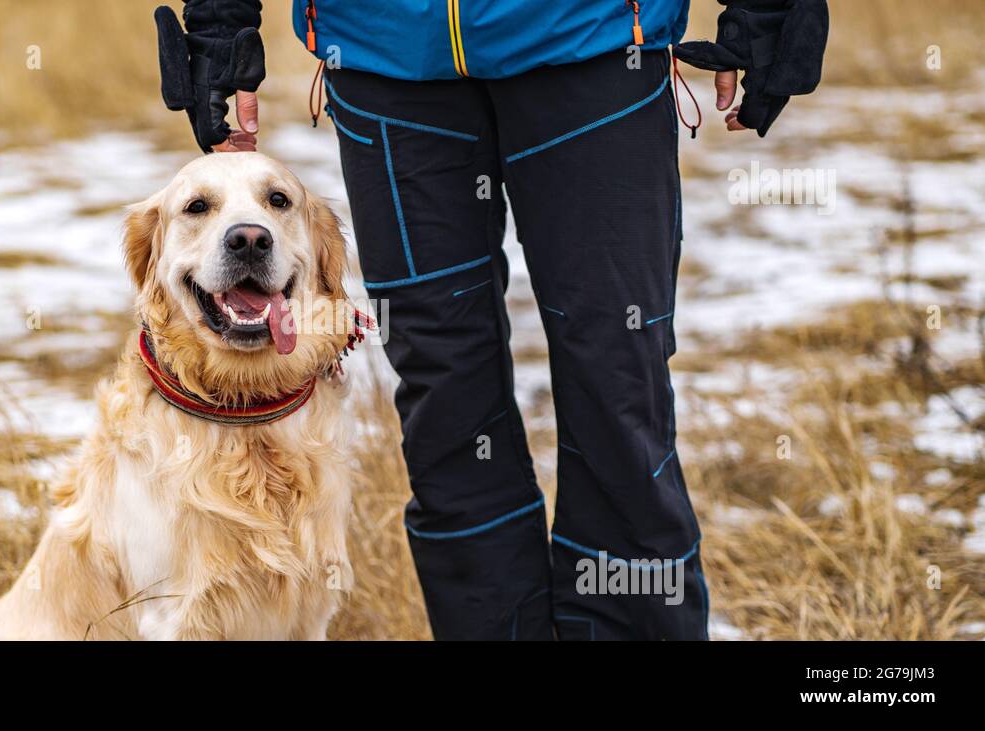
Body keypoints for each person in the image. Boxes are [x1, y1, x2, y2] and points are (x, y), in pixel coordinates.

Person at [155, 0, 829, 640]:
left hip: (590, 44)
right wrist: (221, 21)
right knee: (446, 397)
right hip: (386, 56)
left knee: (615, 375)